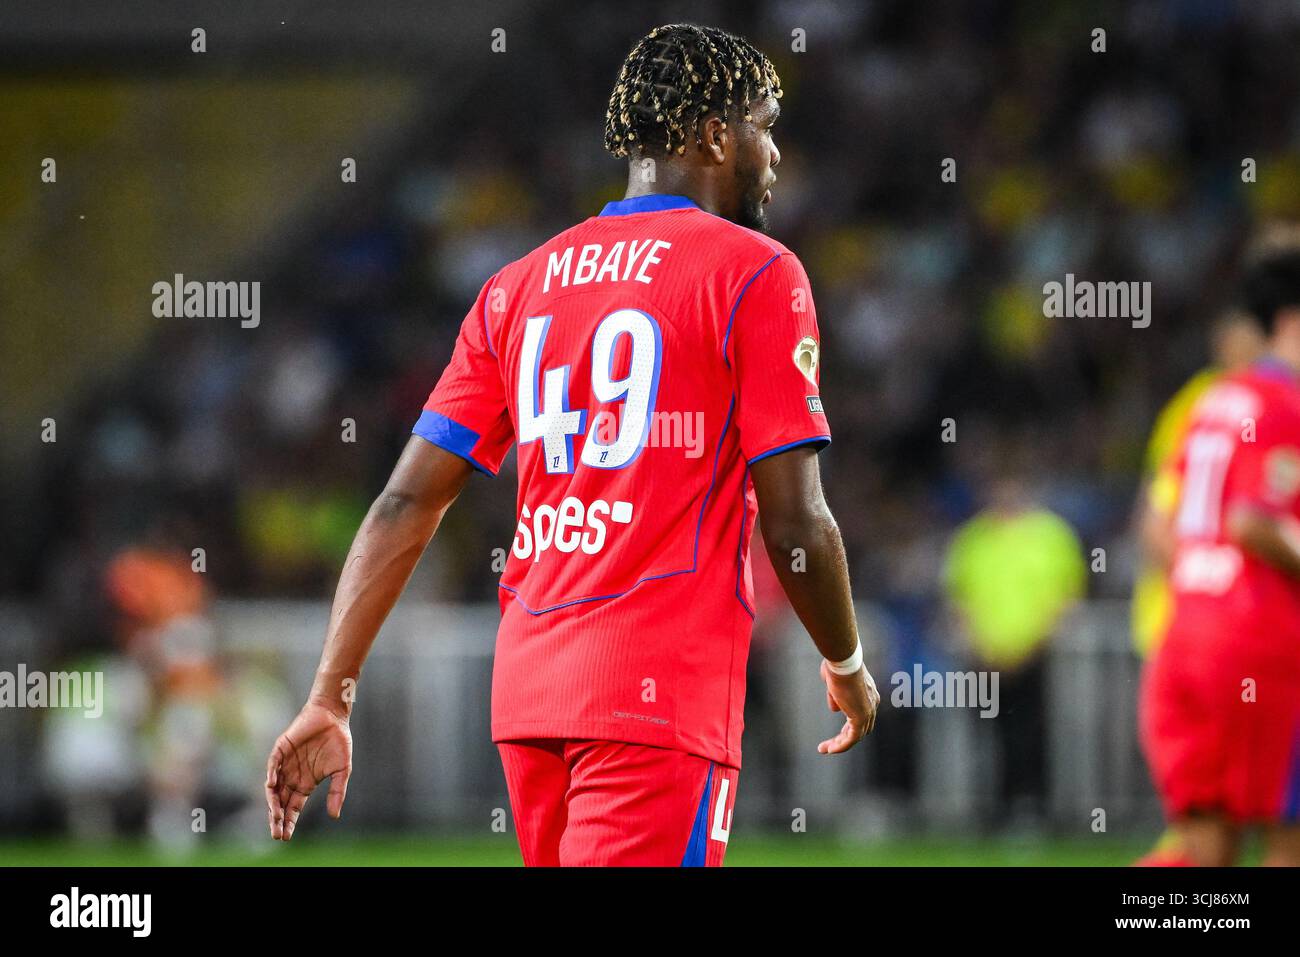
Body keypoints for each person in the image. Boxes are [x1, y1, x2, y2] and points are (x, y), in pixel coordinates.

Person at [265, 23, 879, 867]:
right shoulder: (757, 272)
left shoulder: (516, 285)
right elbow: (797, 524)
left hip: (531, 696)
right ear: (712, 135)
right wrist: (844, 658)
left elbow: (406, 499)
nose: (773, 154)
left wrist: (331, 694)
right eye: (764, 126)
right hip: (659, 697)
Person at [1138, 232, 1300, 866]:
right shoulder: (1285, 403)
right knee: (1287, 837)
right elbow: (1252, 522)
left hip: (1187, 639)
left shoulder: (1211, 402)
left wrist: (1205, 594)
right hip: (1261, 648)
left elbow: (1158, 524)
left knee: (1205, 850)